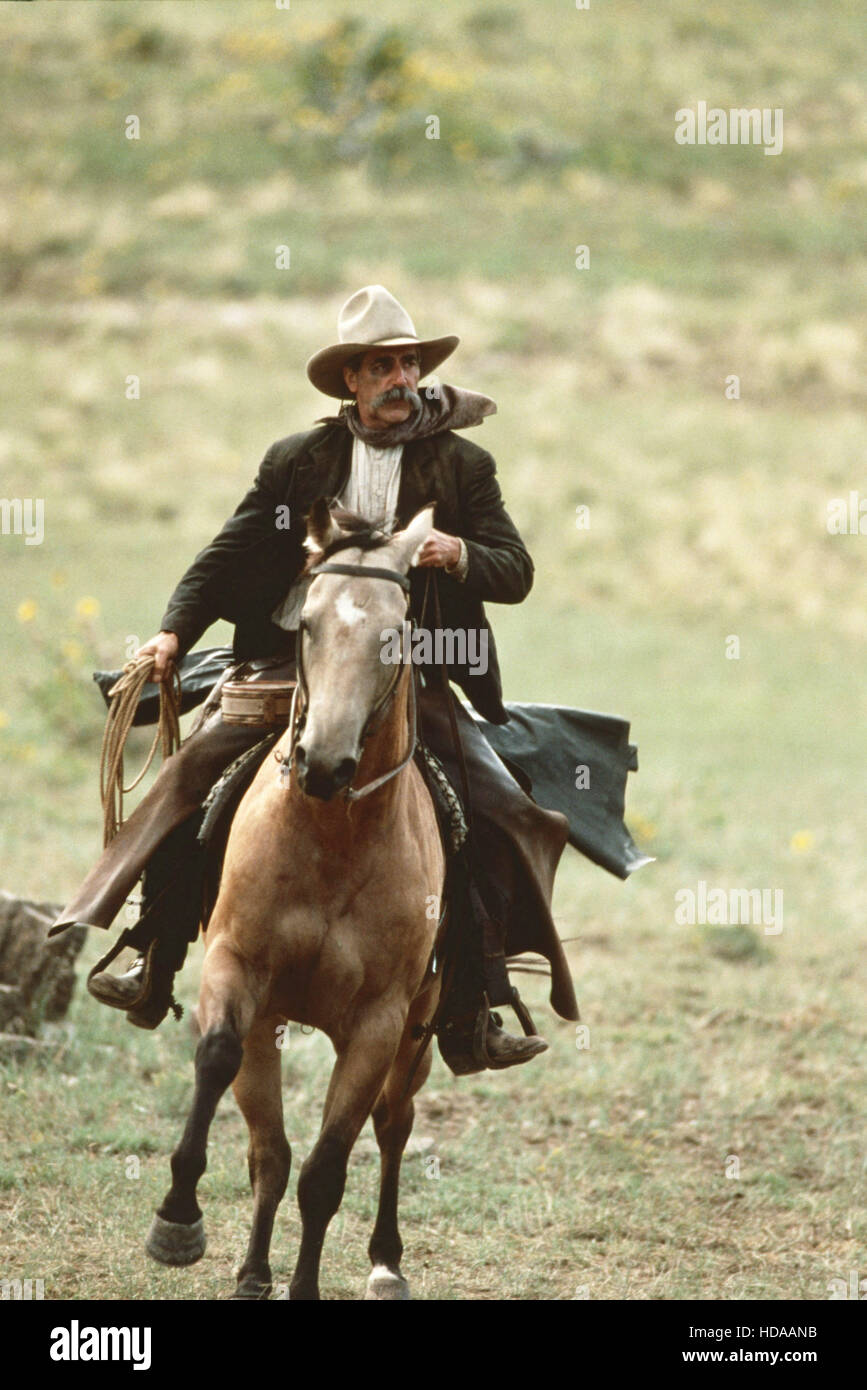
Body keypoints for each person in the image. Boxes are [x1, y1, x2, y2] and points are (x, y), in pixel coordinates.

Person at [50, 286, 579, 1071]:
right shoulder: (298, 460)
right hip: (294, 658)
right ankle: (153, 957)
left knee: (495, 811)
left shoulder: (463, 467)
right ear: (350, 382)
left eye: (409, 363)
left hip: (417, 671)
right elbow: (228, 551)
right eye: (381, 366)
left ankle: (473, 1000)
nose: (400, 378)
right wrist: (171, 632)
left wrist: (454, 554)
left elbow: (516, 571)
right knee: (193, 773)